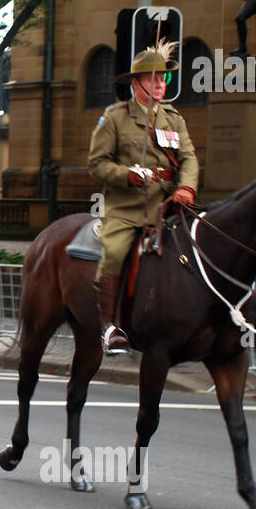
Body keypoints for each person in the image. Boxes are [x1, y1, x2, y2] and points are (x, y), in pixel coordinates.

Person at [87, 38, 199, 354]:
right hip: (127, 207)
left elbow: (189, 157)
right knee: (115, 251)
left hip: (169, 205)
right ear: (136, 82)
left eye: (164, 78)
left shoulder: (174, 119)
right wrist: (128, 175)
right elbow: (96, 164)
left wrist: (186, 187)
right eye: (153, 78)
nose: (161, 85)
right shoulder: (114, 118)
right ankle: (109, 327)